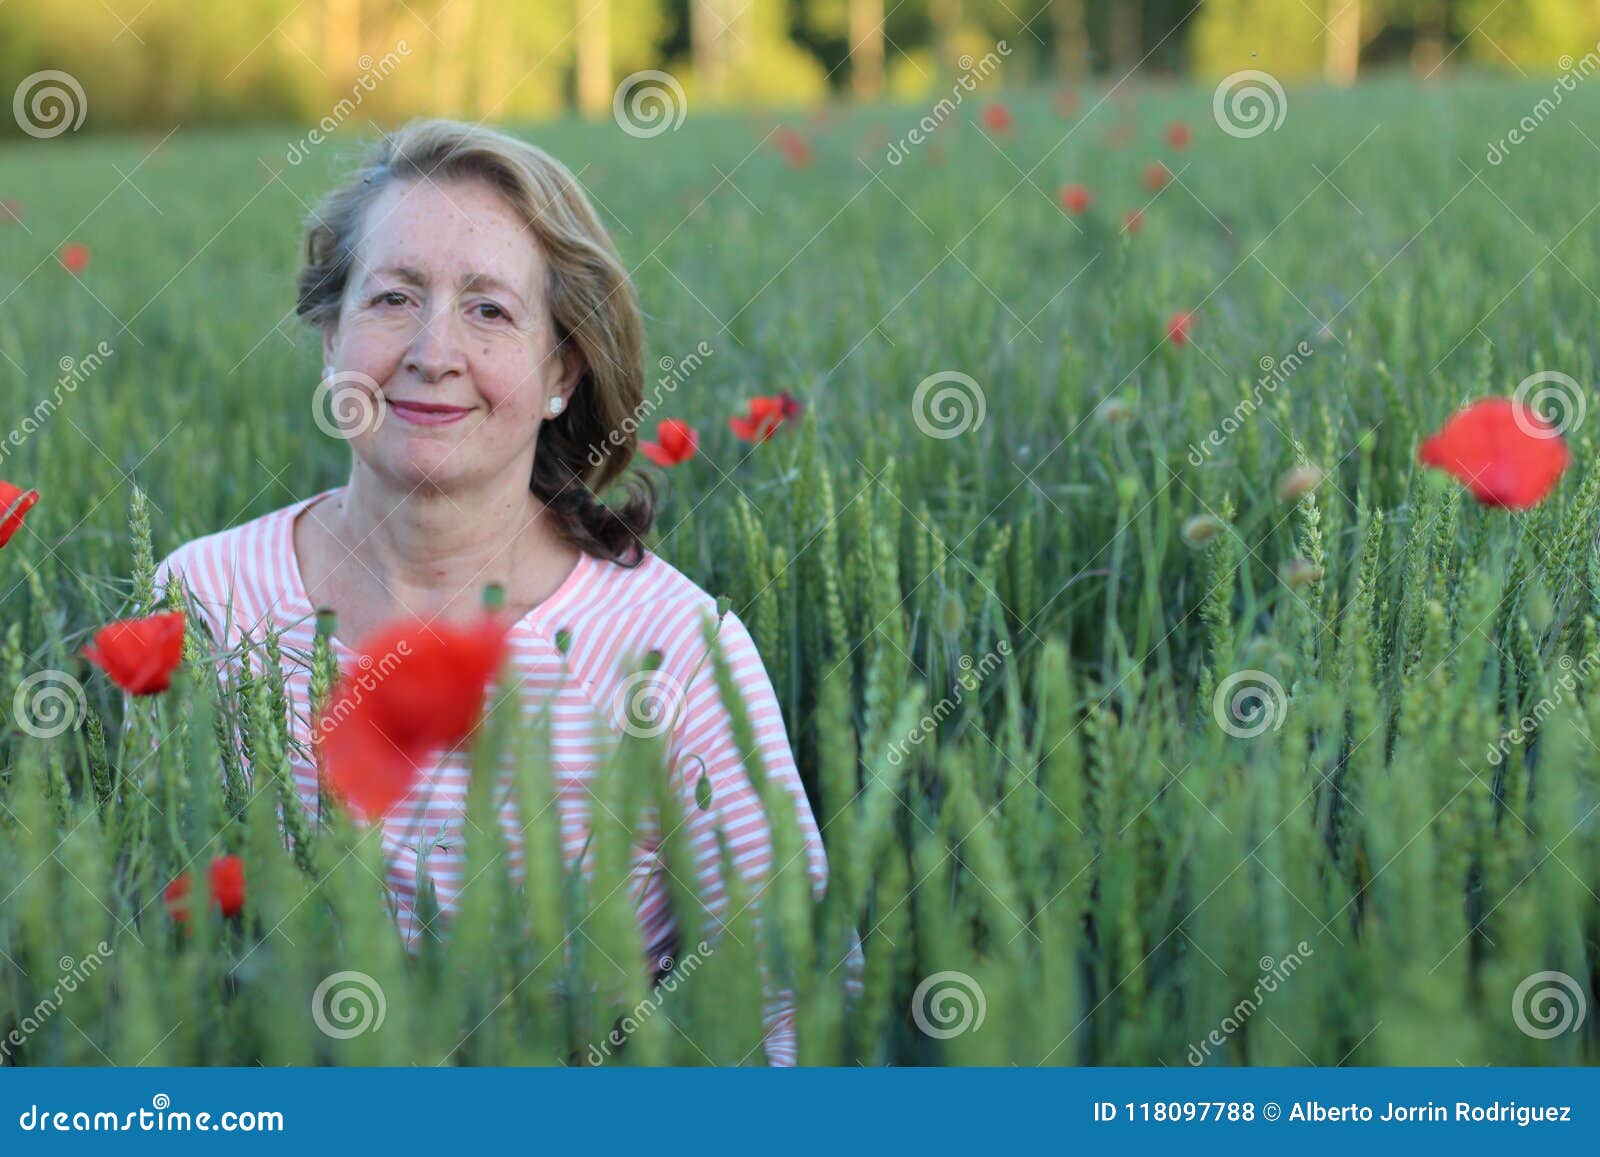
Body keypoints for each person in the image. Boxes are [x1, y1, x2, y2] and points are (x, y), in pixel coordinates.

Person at [153, 117, 861, 1065]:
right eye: (394, 297)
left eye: (490, 310)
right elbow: (149, 953)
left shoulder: (676, 646)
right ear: (331, 338)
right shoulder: (202, 598)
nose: (432, 350)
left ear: (561, 369)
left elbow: (797, 1007)